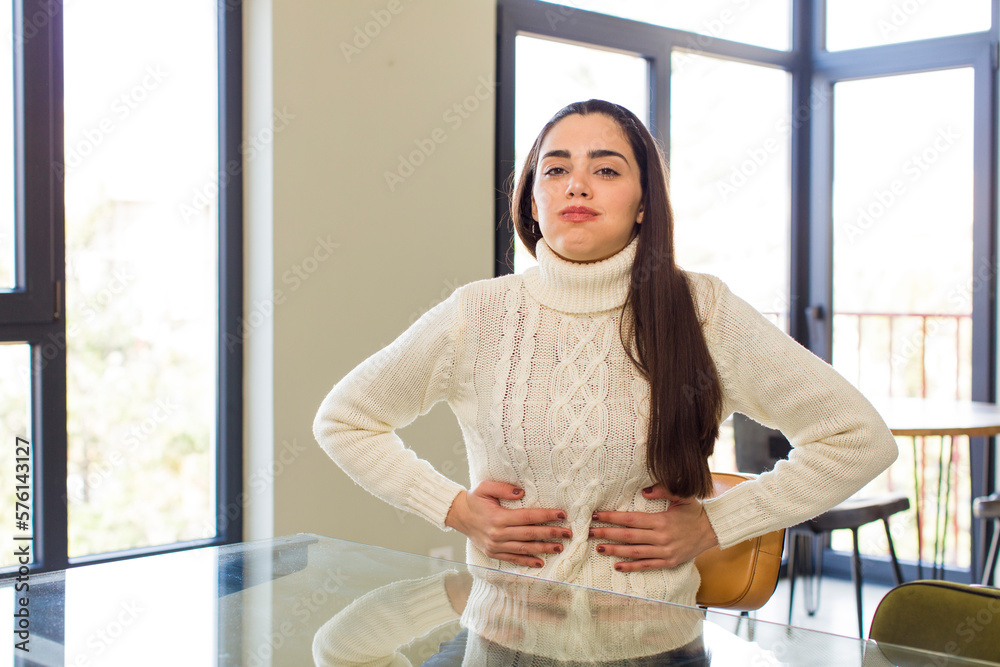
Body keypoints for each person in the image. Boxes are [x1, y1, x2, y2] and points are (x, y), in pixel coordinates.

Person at [313, 99, 898, 607]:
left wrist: (719, 525)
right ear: (533, 200)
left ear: (645, 202)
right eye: (556, 169)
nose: (577, 185)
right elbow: (345, 420)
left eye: (607, 169)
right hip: (504, 639)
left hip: (654, 643)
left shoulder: (703, 309)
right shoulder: (478, 313)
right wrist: (456, 510)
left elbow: (856, 438)